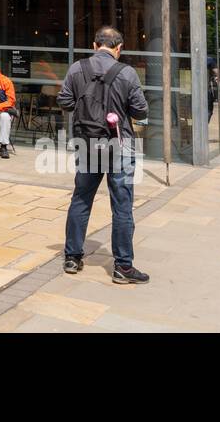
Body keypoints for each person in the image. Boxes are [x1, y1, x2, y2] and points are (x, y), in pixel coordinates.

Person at [59, 26, 150, 285]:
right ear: (118, 48)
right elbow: (141, 111)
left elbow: (64, 101)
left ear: (94, 44)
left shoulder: (77, 68)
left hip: (87, 143)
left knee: (81, 198)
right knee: (121, 204)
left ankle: (72, 258)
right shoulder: (127, 72)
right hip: (118, 145)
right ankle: (123, 266)